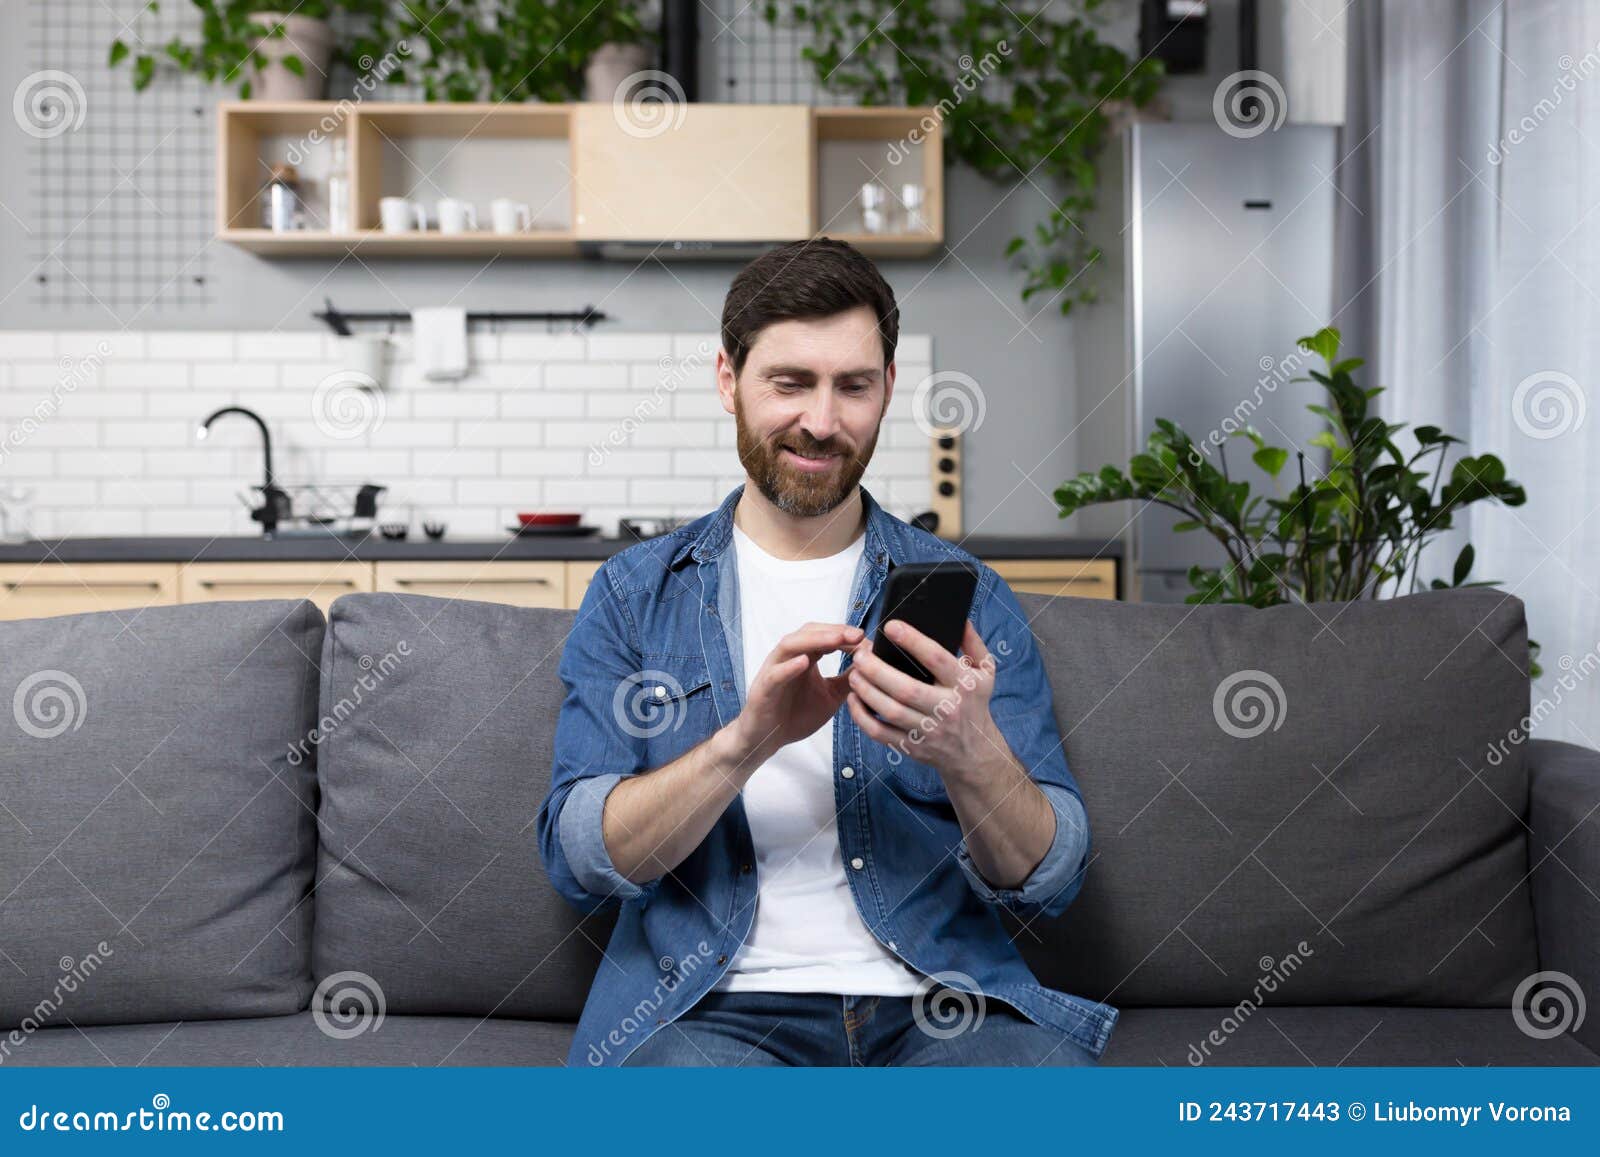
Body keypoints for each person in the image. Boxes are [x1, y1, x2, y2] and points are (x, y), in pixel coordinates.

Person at [536, 238, 1117, 1067]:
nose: (821, 420)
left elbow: (1051, 874)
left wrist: (971, 754)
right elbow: (581, 856)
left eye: (853, 386)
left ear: (887, 388)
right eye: (790, 382)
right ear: (729, 379)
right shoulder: (636, 594)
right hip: (714, 1016)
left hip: (942, 1008)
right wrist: (746, 742)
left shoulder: (969, 596)